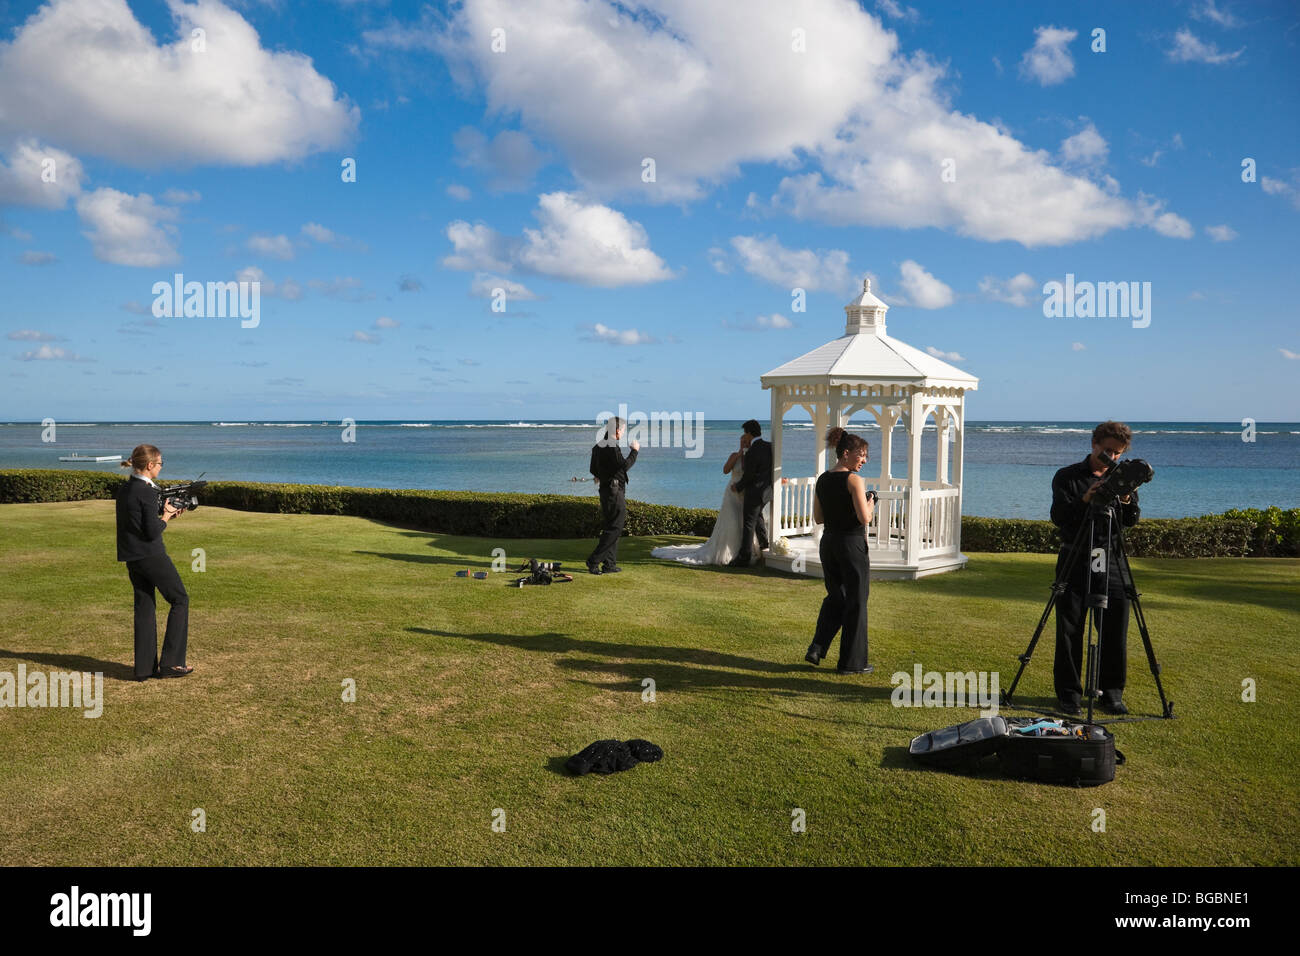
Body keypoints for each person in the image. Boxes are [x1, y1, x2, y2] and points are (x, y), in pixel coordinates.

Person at [1050, 421, 1141, 715]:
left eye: (1117, 453)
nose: (1111, 458)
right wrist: (1086, 498)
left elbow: (1130, 521)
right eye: (1107, 451)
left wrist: (1126, 498)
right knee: (1069, 627)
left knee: (1116, 627)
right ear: (1094, 445)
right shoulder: (1068, 477)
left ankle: (1111, 693)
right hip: (1075, 556)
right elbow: (1060, 518)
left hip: (1110, 558)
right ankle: (1069, 694)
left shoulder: (1122, 478)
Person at [115, 444, 193, 681]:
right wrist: (167, 517)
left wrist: (163, 514)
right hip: (151, 555)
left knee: (145, 607)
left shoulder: (126, 488)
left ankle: (144, 669)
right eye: (160, 463)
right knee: (180, 599)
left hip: (132, 556)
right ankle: (171, 663)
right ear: (150, 465)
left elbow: (137, 521)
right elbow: (152, 531)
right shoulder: (147, 492)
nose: (161, 467)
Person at [806, 427, 877, 674]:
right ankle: (851, 663)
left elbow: (817, 517)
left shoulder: (823, 479)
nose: (865, 460)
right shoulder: (854, 480)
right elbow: (864, 517)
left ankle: (817, 646)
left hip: (829, 544)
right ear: (846, 453)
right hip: (851, 545)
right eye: (862, 454)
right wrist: (870, 502)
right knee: (856, 602)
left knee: (837, 597)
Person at [651, 431, 759, 566]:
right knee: (731, 520)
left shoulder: (752, 457)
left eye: (747, 442)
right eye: (742, 441)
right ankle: (727, 551)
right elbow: (725, 470)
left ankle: (742, 551)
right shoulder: (734, 455)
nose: (744, 444)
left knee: (743, 521)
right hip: (732, 492)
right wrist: (738, 455)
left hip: (744, 493)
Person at [586, 417, 639, 574]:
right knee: (616, 528)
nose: (623, 433)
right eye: (623, 430)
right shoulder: (611, 445)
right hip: (614, 492)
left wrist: (602, 474)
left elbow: (593, 470)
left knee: (611, 527)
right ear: (617, 430)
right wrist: (635, 451)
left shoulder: (598, 446)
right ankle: (593, 560)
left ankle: (609, 564)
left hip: (605, 491)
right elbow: (624, 466)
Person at [727, 419, 773, 567]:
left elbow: (749, 475)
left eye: (744, 433)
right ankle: (764, 545)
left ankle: (744, 557)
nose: (744, 437)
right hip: (766, 492)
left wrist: (738, 486)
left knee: (748, 524)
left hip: (754, 492)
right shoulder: (768, 446)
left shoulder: (753, 450)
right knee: (758, 518)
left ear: (748, 433)